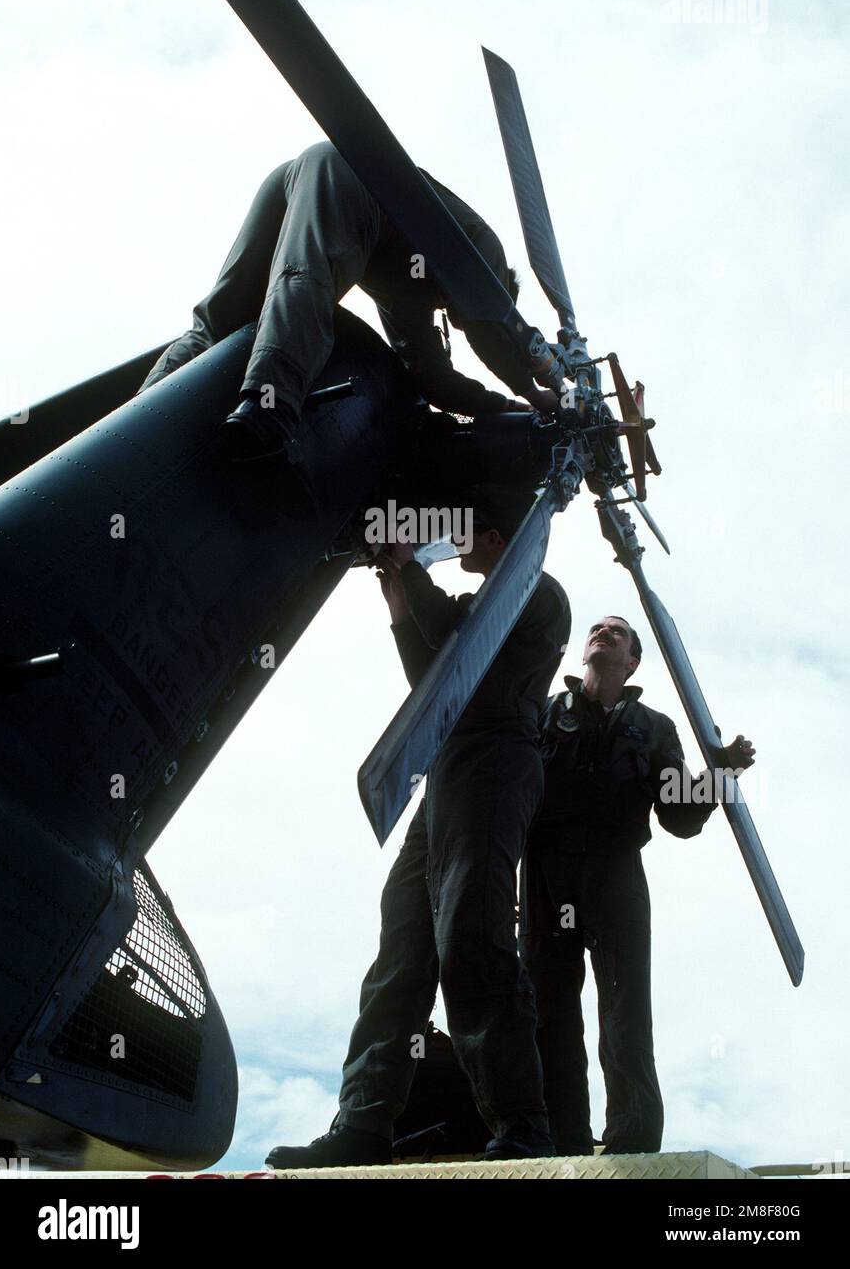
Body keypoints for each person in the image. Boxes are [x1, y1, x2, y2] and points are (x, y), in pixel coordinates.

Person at [265, 485, 571, 1168]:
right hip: (449, 767)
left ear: (500, 539)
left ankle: (523, 1125)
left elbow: (461, 640)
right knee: (402, 948)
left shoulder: (536, 593)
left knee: (473, 933)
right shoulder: (469, 611)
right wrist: (396, 591)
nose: (457, 541)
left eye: (469, 532)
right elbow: (430, 676)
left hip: (495, 761)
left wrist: (410, 567)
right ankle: (364, 1123)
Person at [138, 142, 556, 496]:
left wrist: (500, 407)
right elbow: (490, 329)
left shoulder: (413, 293)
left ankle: (139, 417)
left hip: (305, 176)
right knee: (306, 280)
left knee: (218, 325)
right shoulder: (484, 253)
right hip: (348, 178)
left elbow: (430, 375)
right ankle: (269, 411)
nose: (460, 320)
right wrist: (534, 391)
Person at [520, 615, 755, 1156]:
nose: (602, 632)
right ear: (583, 653)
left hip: (615, 873)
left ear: (632, 661)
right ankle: (562, 1140)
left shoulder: (652, 727)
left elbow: (677, 814)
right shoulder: (545, 713)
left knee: (626, 1013)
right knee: (547, 1010)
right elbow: (511, 788)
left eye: (617, 631)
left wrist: (719, 776)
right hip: (544, 872)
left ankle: (632, 1142)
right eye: (596, 628)